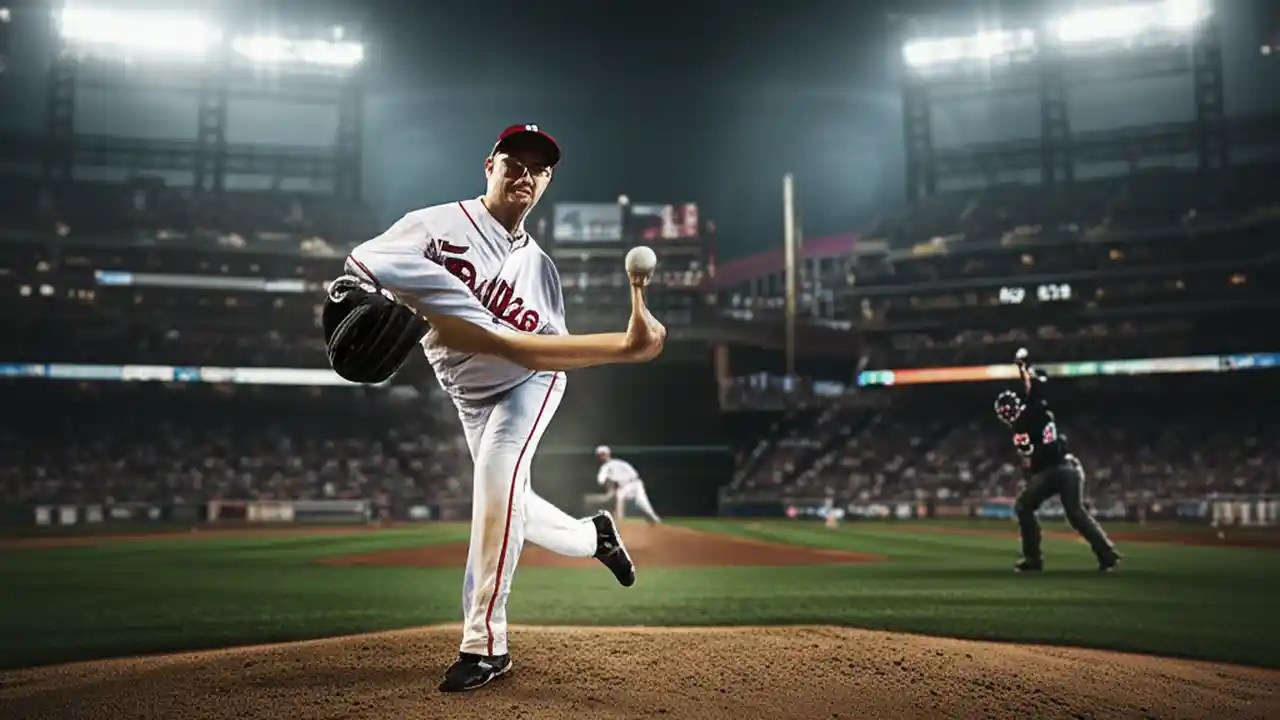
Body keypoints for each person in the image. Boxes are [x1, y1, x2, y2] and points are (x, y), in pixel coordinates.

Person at [331, 124, 665, 693]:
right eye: (515, 161)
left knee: (494, 482)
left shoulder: (541, 269)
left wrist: (624, 346)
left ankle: (485, 644)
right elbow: (360, 266)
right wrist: (349, 299)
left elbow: (537, 351)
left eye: (539, 169)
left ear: (547, 182)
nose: (525, 175)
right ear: (489, 165)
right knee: (512, 502)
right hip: (469, 393)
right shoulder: (435, 224)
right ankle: (594, 537)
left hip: (529, 383)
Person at [994, 351, 1121, 573]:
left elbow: (1028, 458)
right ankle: (1107, 554)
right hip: (1068, 465)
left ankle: (1033, 559)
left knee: (1024, 507)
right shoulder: (1037, 410)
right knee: (1076, 513)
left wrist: (1023, 369)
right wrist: (1024, 369)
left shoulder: (1020, 426)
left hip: (1050, 470)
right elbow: (1032, 390)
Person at [595, 445, 662, 525]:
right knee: (633, 501)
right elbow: (604, 481)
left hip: (632, 484)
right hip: (632, 484)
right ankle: (654, 519)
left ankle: (620, 521)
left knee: (638, 501)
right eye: (601, 454)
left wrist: (611, 489)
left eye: (603, 454)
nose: (602, 456)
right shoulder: (615, 464)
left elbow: (601, 481)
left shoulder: (609, 466)